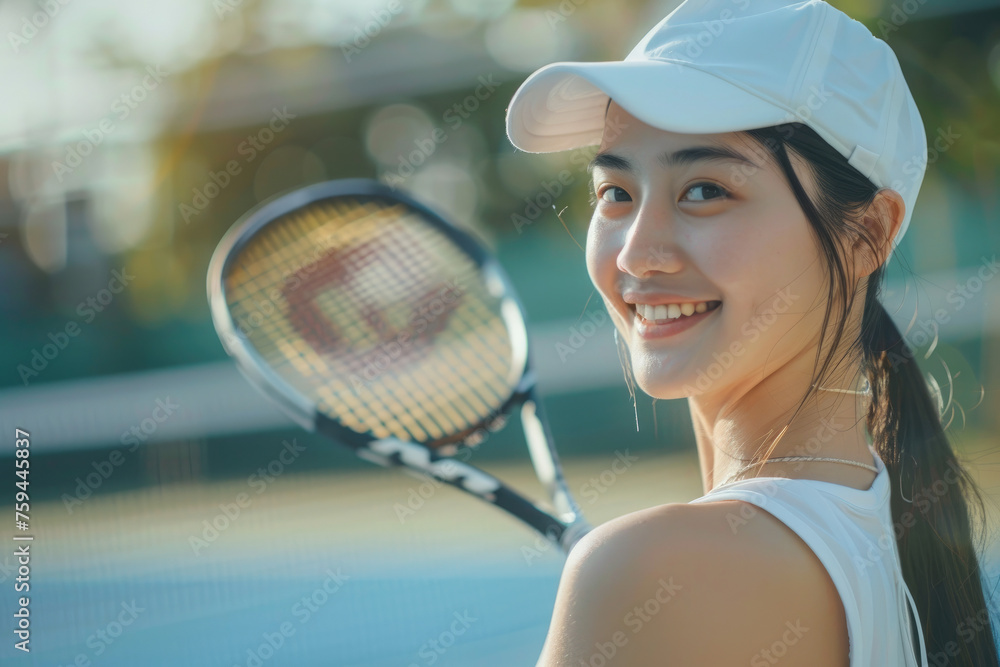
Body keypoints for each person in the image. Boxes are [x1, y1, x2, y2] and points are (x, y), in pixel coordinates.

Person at [504, 0, 999, 665]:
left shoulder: (644, 569)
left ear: (867, 233)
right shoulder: (894, 524)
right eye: (615, 192)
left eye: (706, 189)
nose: (637, 254)